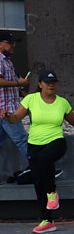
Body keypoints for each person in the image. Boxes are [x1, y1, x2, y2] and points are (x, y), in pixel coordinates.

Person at [2, 70, 74, 234]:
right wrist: (8, 117)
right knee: (38, 181)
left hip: (56, 141)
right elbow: (16, 118)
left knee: (45, 159)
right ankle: (47, 220)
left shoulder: (62, 102)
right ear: (40, 84)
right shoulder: (31, 99)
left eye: (53, 82)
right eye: (47, 82)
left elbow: (73, 120)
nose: (51, 85)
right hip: (34, 144)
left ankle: (52, 193)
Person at [0, 30, 30, 168]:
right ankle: (42, 169)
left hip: (8, 109)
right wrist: (18, 83)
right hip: (6, 110)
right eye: (10, 43)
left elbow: (11, 86)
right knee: (22, 140)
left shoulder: (8, 62)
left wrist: (23, 91)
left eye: (14, 43)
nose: (13, 46)